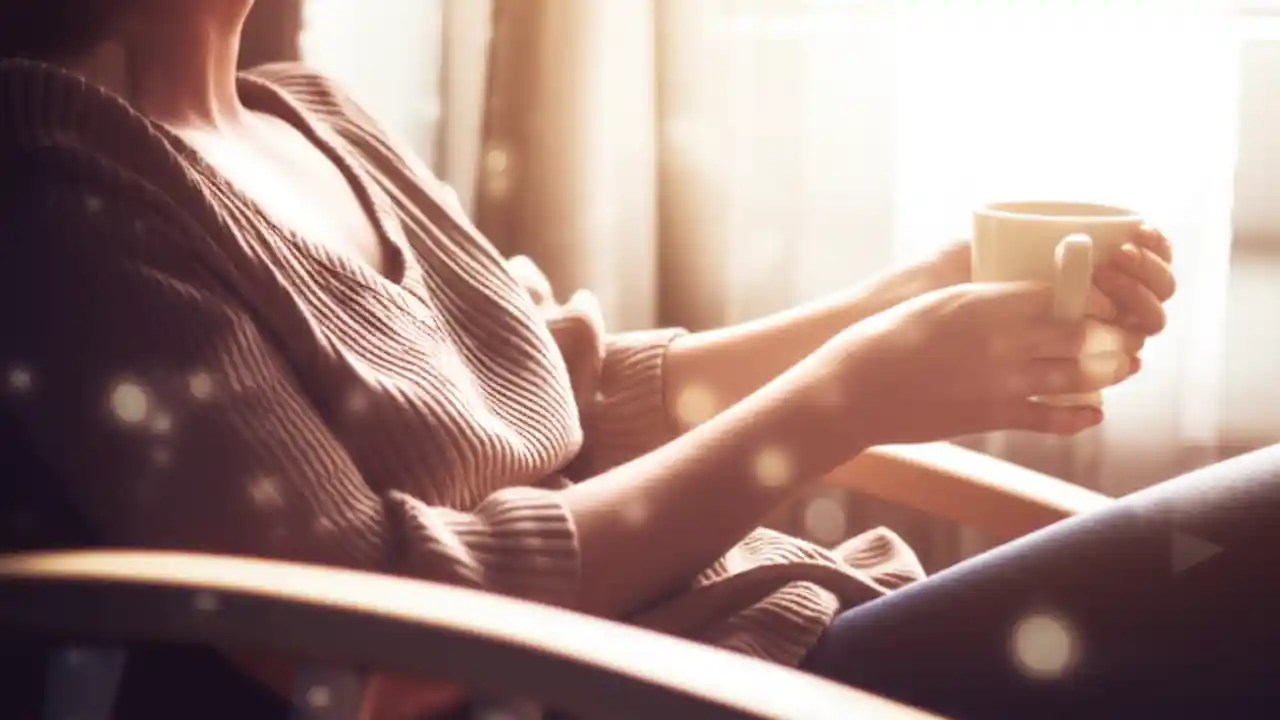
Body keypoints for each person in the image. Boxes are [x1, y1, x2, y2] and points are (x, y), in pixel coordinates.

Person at [5, 0, 1247, 716]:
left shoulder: (306, 115)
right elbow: (350, 645)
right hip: (661, 695)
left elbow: (566, 398)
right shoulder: (62, 189)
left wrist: (909, 302)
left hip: (791, 639)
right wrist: (855, 394)